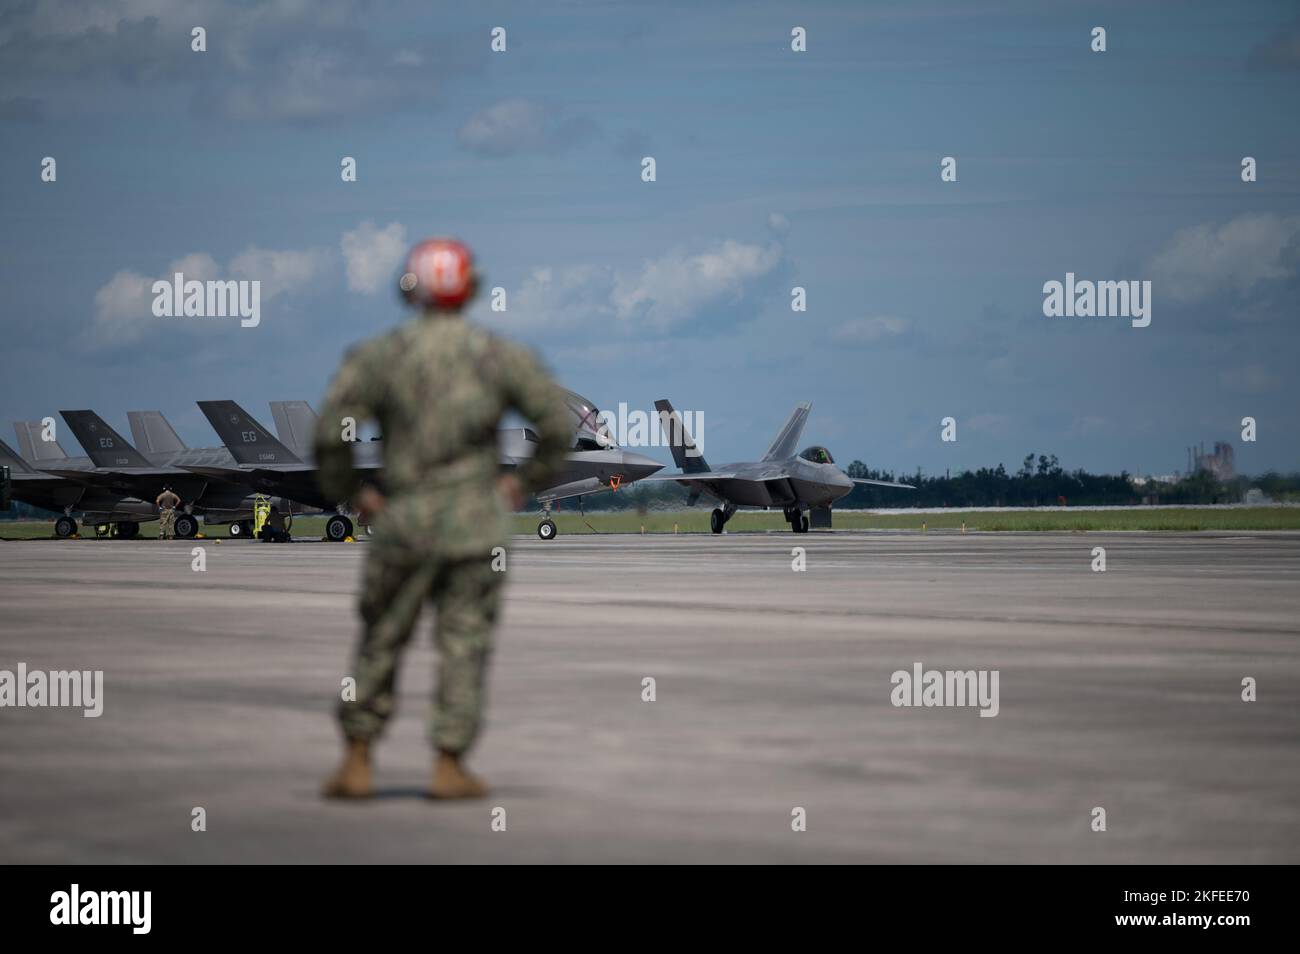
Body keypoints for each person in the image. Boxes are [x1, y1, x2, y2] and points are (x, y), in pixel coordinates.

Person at [315, 237, 572, 800]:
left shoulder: (378, 356)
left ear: (410, 290)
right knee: (464, 642)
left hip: (402, 520)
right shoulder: (500, 355)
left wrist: (356, 494)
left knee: (381, 638)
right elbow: (559, 426)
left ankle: (357, 760)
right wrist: (517, 484)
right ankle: (448, 765)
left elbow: (328, 434)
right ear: (471, 288)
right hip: (475, 526)